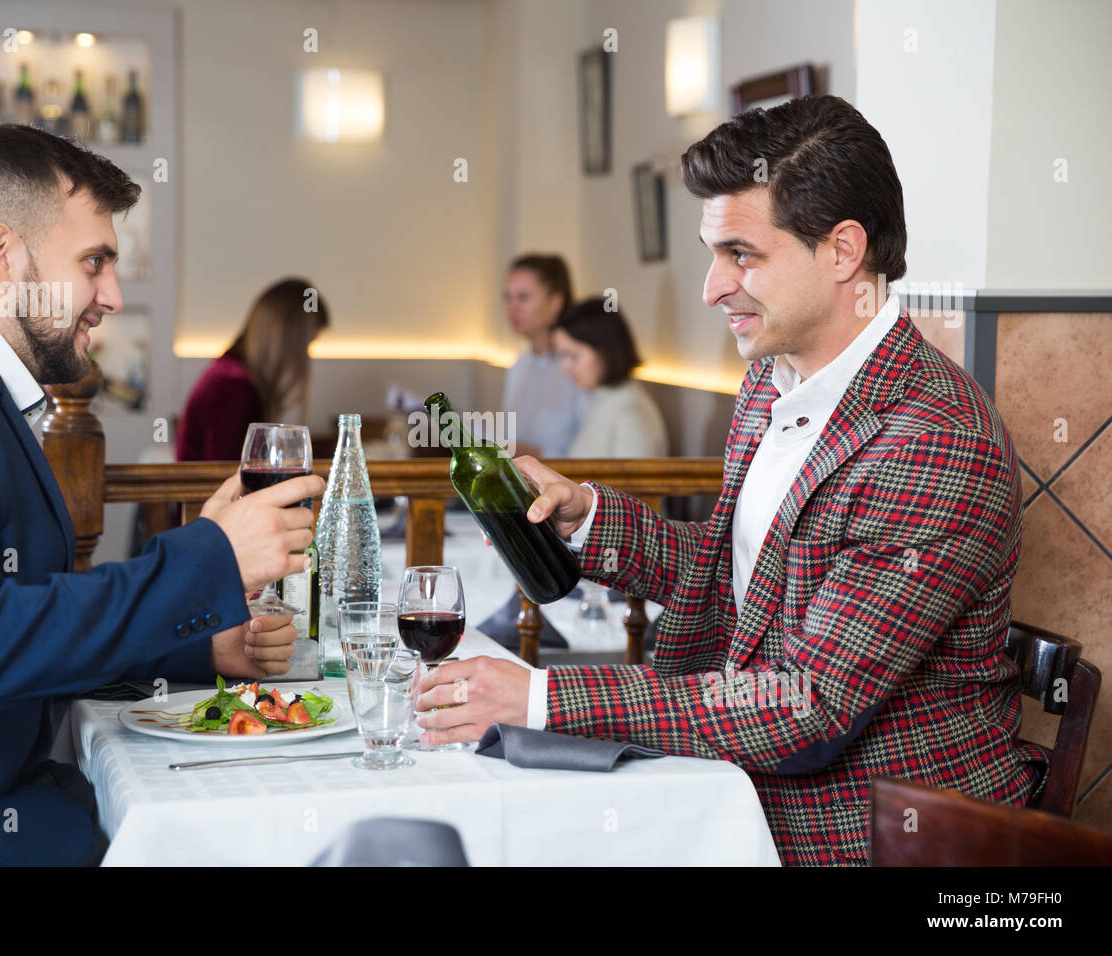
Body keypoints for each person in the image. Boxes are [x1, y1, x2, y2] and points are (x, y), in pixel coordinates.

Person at [415, 95, 1048, 866]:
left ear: (843, 251)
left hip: (868, 834)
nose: (714, 288)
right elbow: (737, 581)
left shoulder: (934, 440)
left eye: (741, 255)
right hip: (732, 786)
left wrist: (544, 698)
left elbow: (805, 704)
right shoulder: (773, 382)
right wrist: (584, 515)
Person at [0, 124, 325, 865]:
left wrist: (199, 642)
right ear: (1, 255)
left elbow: (18, 616)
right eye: (94, 263)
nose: (112, 296)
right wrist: (207, 560)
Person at [176, 278, 329, 462]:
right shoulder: (233, 387)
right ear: (288, 341)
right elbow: (227, 477)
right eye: (307, 344)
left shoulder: (228, 374)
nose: (306, 356)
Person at [551, 296, 667, 458]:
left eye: (573, 356)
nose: (565, 367)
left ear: (605, 352)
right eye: (562, 357)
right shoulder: (601, 400)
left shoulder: (630, 414)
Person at [501, 254, 585, 457]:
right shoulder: (520, 365)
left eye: (523, 297)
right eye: (507, 297)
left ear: (555, 302)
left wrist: (532, 453)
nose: (512, 307)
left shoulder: (578, 368)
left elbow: (590, 452)